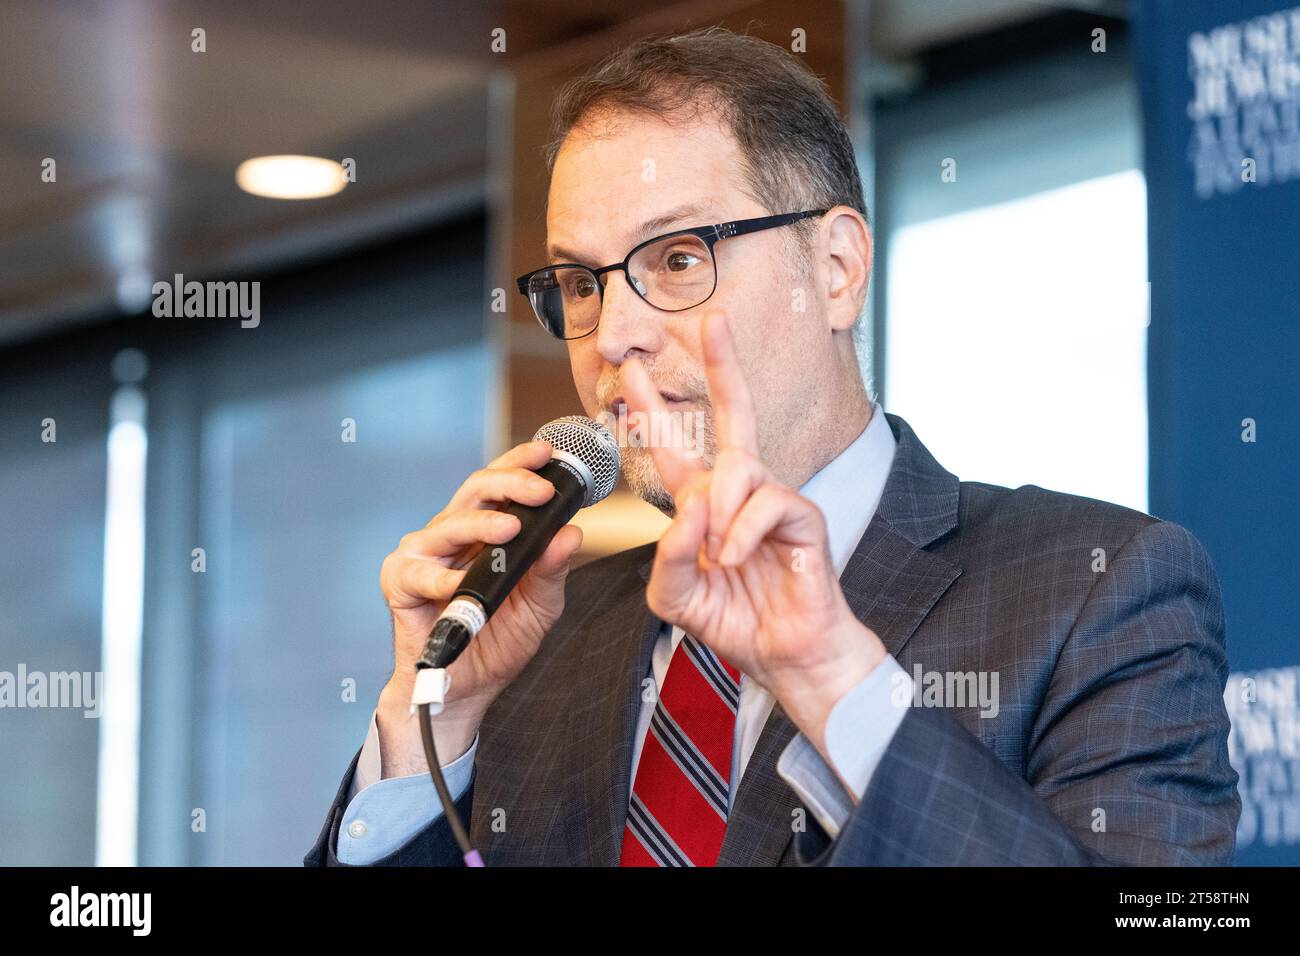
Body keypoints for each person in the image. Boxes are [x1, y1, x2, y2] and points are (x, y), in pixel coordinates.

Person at [305, 27, 1239, 867]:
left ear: (835, 271)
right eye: (580, 282)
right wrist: (435, 717)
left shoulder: (1099, 591)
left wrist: (836, 682)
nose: (613, 334)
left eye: (675, 258)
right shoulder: (528, 637)